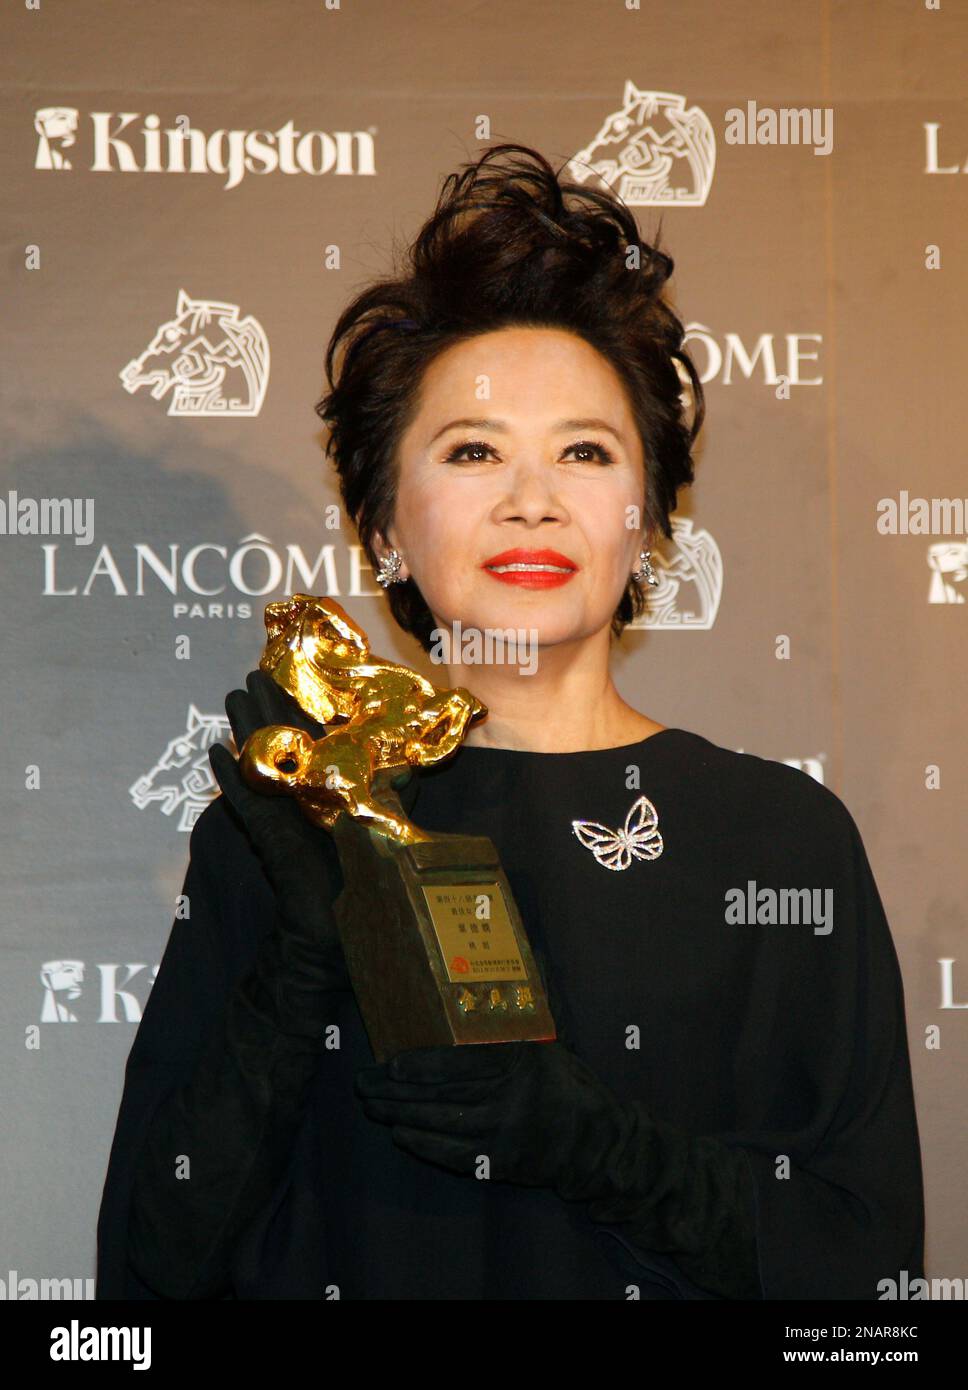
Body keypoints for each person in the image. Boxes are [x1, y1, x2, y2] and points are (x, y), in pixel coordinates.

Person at [95, 143, 924, 1300]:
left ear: (645, 525)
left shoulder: (779, 839)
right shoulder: (293, 819)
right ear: (381, 526)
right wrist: (295, 972)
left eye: (583, 452)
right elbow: (146, 1271)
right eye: (473, 451)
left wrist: (596, 1145)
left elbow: (867, 1280)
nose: (530, 498)